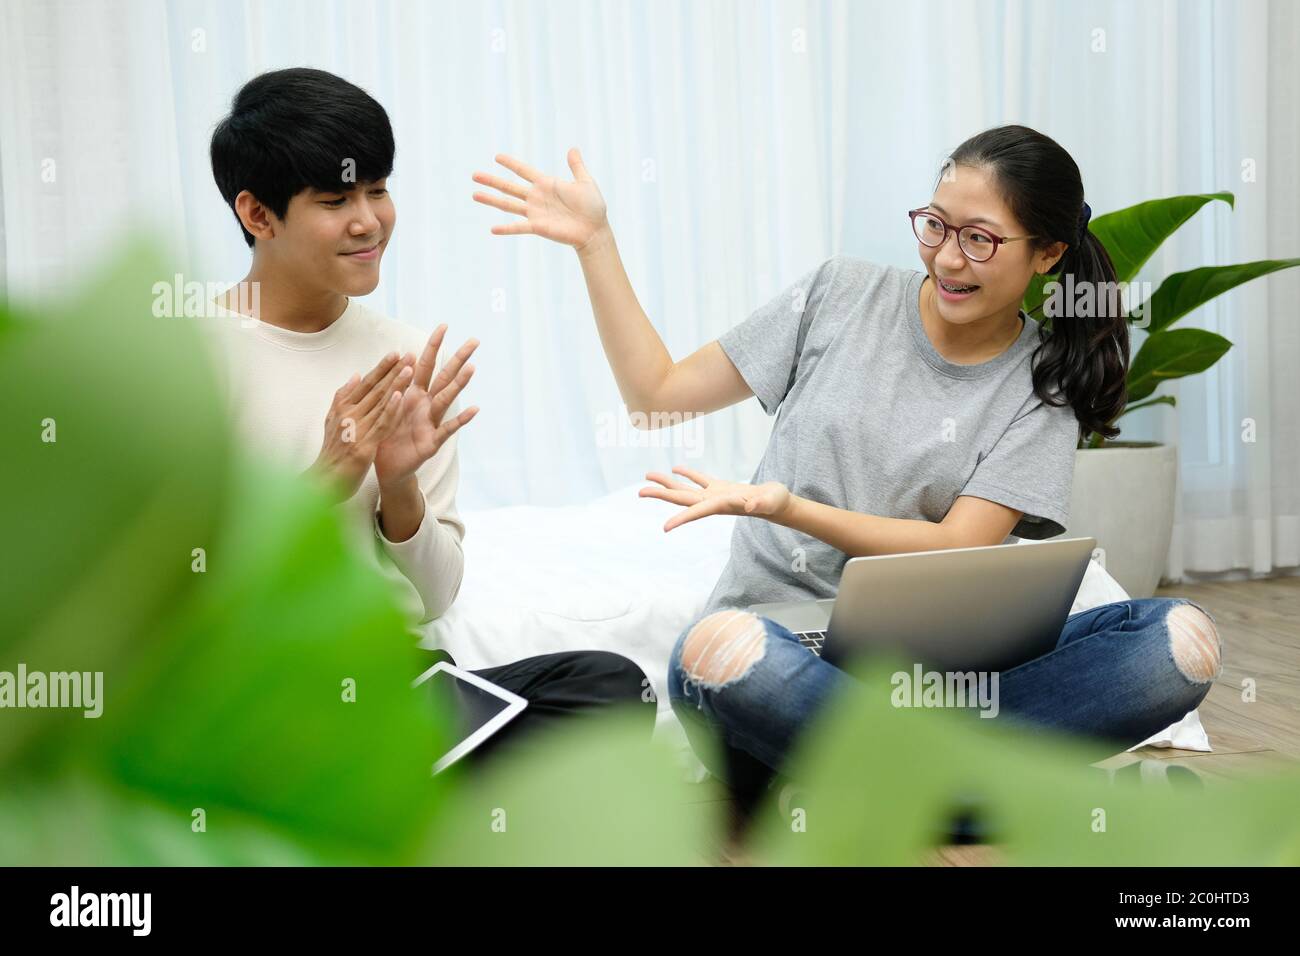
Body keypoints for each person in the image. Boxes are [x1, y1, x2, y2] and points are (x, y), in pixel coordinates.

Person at [471, 124, 1222, 818]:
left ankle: (887, 791)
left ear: (1049, 252)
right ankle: (968, 793)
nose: (949, 257)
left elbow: (957, 547)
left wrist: (786, 507)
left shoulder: (1042, 386)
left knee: (1176, 642)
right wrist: (596, 243)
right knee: (721, 654)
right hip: (781, 661)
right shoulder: (840, 294)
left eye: (981, 239)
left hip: (935, 681)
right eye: (936, 225)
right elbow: (656, 396)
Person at [205, 67, 653, 763]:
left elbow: (437, 599)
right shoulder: (190, 364)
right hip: (260, 685)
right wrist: (329, 476)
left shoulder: (406, 359)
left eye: (378, 190)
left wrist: (400, 486)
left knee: (612, 688)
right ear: (257, 215)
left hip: (392, 685)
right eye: (335, 199)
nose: (368, 221)